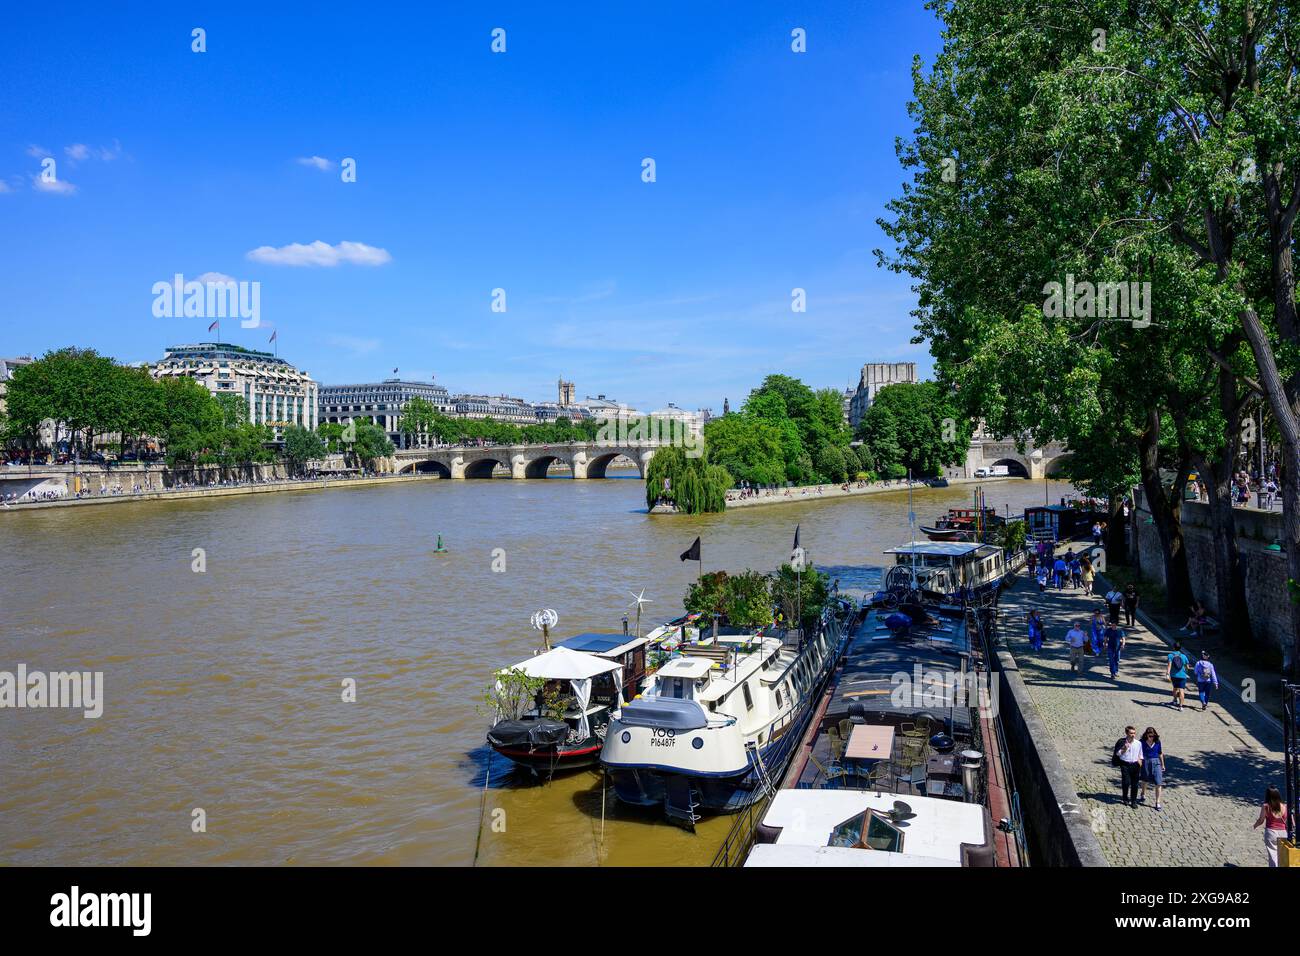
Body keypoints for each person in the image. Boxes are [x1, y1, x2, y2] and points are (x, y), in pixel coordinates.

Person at [1253, 787, 1289, 867]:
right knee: (1282, 856)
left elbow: (1261, 820)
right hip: (1283, 833)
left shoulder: (1266, 806)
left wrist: (1255, 825)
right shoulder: (1285, 806)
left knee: (1273, 856)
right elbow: (1289, 821)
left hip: (1271, 833)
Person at [1113, 726, 1143, 809]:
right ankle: (1125, 797)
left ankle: (1133, 801)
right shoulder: (1122, 742)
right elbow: (1118, 754)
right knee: (1126, 782)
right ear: (1127, 733)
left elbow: (1140, 753)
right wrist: (1124, 749)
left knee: (1135, 784)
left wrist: (1140, 760)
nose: (1133, 735)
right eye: (1131, 733)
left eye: (1134, 733)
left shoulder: (1138, 743)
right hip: (1125, 764)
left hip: (1135, 765)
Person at [1138, 727, 1166, 810]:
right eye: (1149, 736)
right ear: (1146, 735)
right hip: (1145, 762)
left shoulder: (1157, 742)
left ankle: (1157, 802)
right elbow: (1138, 753)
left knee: (1158, 782)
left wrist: (1162, 764)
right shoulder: (1142, 742)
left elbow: (1160, 753)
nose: (1151, 738)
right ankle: (1143, 793)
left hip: (1156, 762)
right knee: (1145, 779)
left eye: (1152, 736)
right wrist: (1139, 762)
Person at [1166, 642, 1193, 711]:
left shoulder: (1170, 655)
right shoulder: (1184, 656)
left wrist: (1167, 674)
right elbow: (1187, 666)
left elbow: (1169, 665)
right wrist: (1186, 672)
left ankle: (1175, 700)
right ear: (1180, 648)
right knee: (1181, 690)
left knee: (1175, 688)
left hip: (1174, 675)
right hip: (1182, 676)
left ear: (1173, 647)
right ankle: (1181, 706)